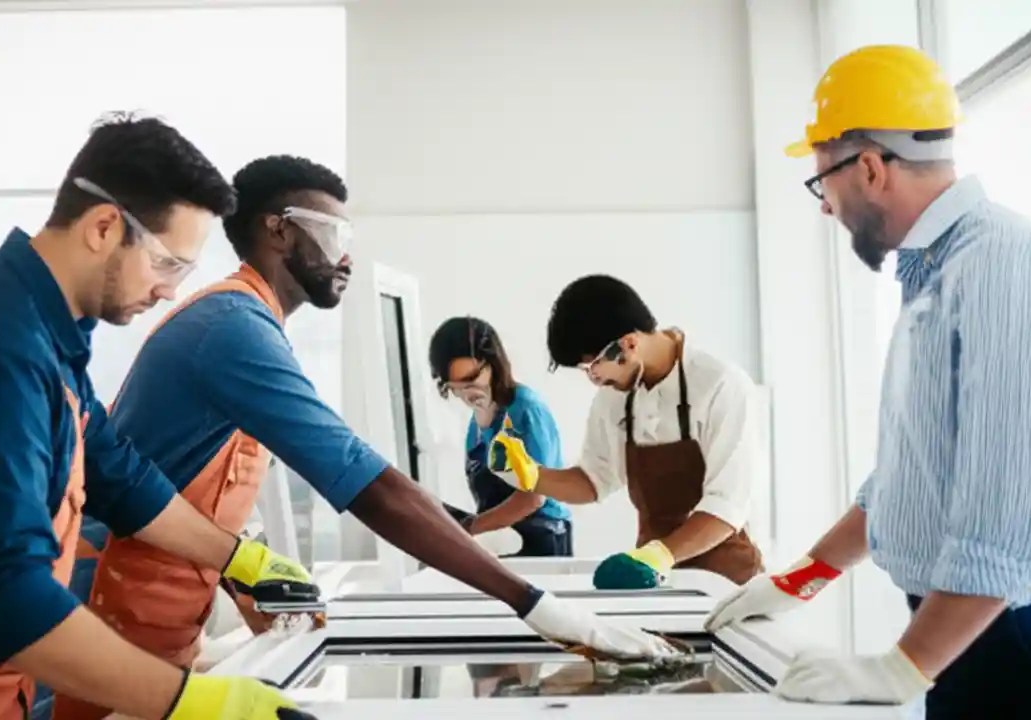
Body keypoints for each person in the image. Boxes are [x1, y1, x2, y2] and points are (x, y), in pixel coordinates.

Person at [51, 155, 675, 719]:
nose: (345, 256)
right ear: (279, 230)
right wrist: (537, 606)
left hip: (153, 614)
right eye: (333, 234)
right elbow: (366, 482)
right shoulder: (232, 327)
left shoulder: (245, 321)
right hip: (108, 615)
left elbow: (192, 472)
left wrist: (248, 567)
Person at [0, 114, 323, 720]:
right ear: (105, 227)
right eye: (167, 264)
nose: (169, 291)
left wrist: (238, 557)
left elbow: (114, 471)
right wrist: (190, 701)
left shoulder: (38, 316)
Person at [704, 45, 1031, 718]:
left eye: (820, 179)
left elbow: (1008, 516)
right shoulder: (934, 277)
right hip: (974, 628)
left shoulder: (999, 268)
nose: (824, 206)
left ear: (870, 168)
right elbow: (907, 479)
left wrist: (904, 667)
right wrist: (801, 578)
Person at [489, 274, 764, 589]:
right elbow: (594, 481)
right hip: (657, 578)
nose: (593, 380)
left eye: (591, 368)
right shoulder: (615, 398)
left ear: (628, 344)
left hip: (726, 583)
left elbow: (727, 503)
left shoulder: (720, 385)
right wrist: (529, 474)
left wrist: (658, 556)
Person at [428, 316, 573, 557]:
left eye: (471, 380)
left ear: (493, 364)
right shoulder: (478, 418)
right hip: (503, 534)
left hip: (542, 536)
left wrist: (469, 528)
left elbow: (533, 498)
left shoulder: (526, 410)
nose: (467, 394)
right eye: (455, 388)